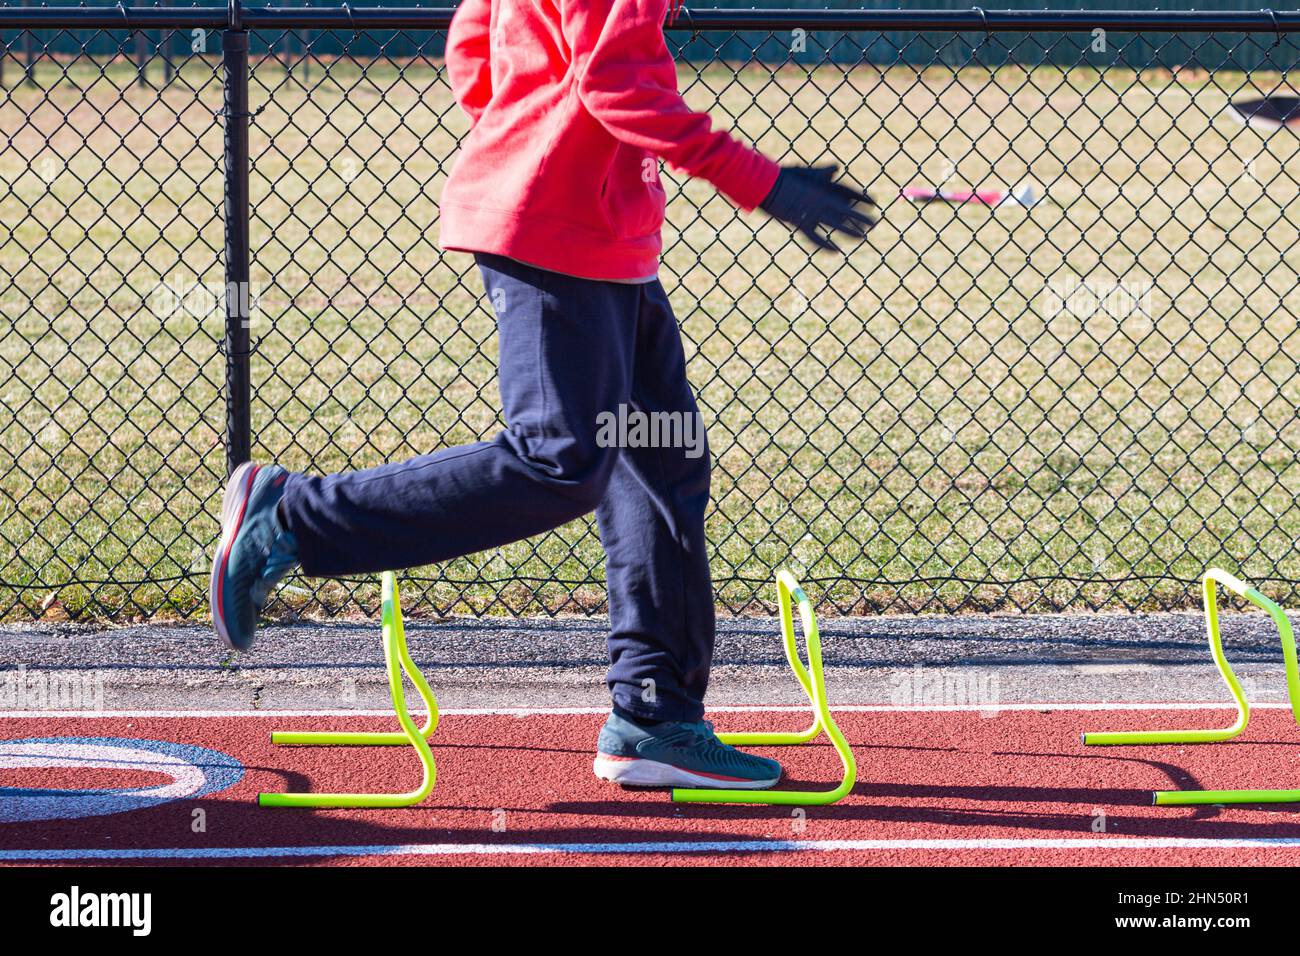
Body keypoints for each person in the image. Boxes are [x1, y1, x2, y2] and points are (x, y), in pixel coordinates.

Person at [211, 0, 875, 791]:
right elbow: (616, 85)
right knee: (559, 461)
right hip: (560, 234)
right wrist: (762, 182)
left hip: (606, 242)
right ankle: (292, 515)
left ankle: (655, 720)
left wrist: (525, 126)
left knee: (660, 472)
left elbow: (472, 42)